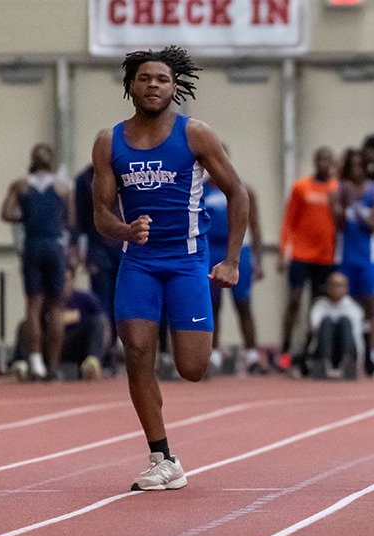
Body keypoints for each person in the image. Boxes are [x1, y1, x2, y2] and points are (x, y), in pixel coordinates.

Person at [91, 45, 249, 491]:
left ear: (174, 87)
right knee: (137, 353)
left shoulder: (195, 134)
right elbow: (100, 212)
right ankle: (162, 455)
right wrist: (124, 231)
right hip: (138, 263)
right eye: (145, 79)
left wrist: (232, 260)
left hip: (186, 262)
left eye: (161, 79)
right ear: (131, 86)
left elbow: (238, 193)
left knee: (192, 367)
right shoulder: (109, 141)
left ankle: (165, 452)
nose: (153, 85)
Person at [0, 143, 74, 380]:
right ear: (51, 161)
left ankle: (36, 362)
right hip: (54, 246)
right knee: (56, 307)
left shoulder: (20, 186)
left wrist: (27, 218)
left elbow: (6, 213)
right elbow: (70, 221)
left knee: (33, 306)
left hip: (32, 245)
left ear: (32, 160)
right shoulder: (63, 188)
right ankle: (53, 366)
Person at [203, 161, 267, 375]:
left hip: (239, 249)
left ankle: (251, 355)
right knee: (212, 305)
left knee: (243, 303)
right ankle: (213, 355)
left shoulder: (243, 188)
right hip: (210, 249)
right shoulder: (199, 189)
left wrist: (258, 259)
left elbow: (255, 227)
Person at [277, 147, 339, 371]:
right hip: (301, 254)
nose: (323, 163)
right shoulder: (301, 187)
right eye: (320, 159)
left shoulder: (336, 189)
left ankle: (309, 350)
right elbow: (289, 221)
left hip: (325, 256)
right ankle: (284, 350)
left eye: (328, 160)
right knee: (294, 300)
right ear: (315, 161)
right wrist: (283, 251)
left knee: (317, 306)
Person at [330, 148, 374, 377]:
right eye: (351, 166)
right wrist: (344, 204)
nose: (356, 170)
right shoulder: (338, 192)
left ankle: (371, 353)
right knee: (345, 304)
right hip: (345, 255)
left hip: (368, 257)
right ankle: (347, 353)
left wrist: (359, 207)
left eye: (360, 166)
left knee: (371, 305)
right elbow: (339, 223)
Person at [11, 268, 112, 381]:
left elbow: (104, 326)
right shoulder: (44, 302)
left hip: (76, 345)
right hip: (48, 347)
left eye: (67, 281)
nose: (63, 285)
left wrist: (105, 353)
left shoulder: (87, 300)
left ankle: (92, 363)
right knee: (25, 326)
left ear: (73, 282)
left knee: (97, 322)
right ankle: (22, 364)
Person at [71, 164, 123, 350]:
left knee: (123, 301)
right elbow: (78, 220)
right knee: (102, 302)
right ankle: (105, 350)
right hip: (98, 246)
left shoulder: (122, 171)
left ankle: (120, 346)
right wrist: (81, 251)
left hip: (123, 244)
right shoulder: (83, 180)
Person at [306, 272, 365, 380]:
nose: (336, 289)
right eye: (333, 285)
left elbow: (357, 338)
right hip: (325, 350)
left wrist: (360, 363)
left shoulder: (354, 309)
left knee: (345, 321)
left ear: (346, 288)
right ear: (327, 287)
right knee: (326, 322)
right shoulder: (319, 307)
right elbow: (315, 335)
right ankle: (323, 363)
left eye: (339, 285)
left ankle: (348, 364)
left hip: (345, 350)